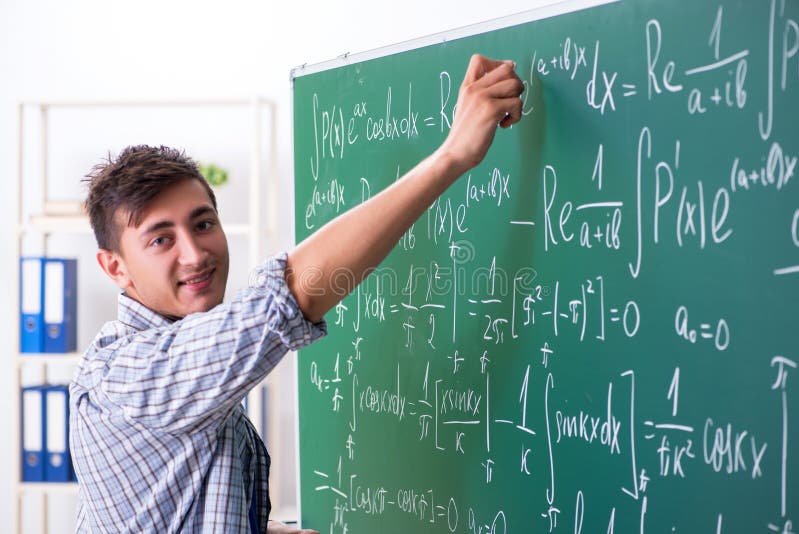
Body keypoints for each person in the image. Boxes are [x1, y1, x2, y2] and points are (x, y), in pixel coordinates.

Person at [69, 54, 523, 533]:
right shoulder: (132, 375)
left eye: (203, 224)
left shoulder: (139, 358)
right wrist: (453, 155)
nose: (195, 253)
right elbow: (285, 298)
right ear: (115, 267)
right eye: (162, 239)